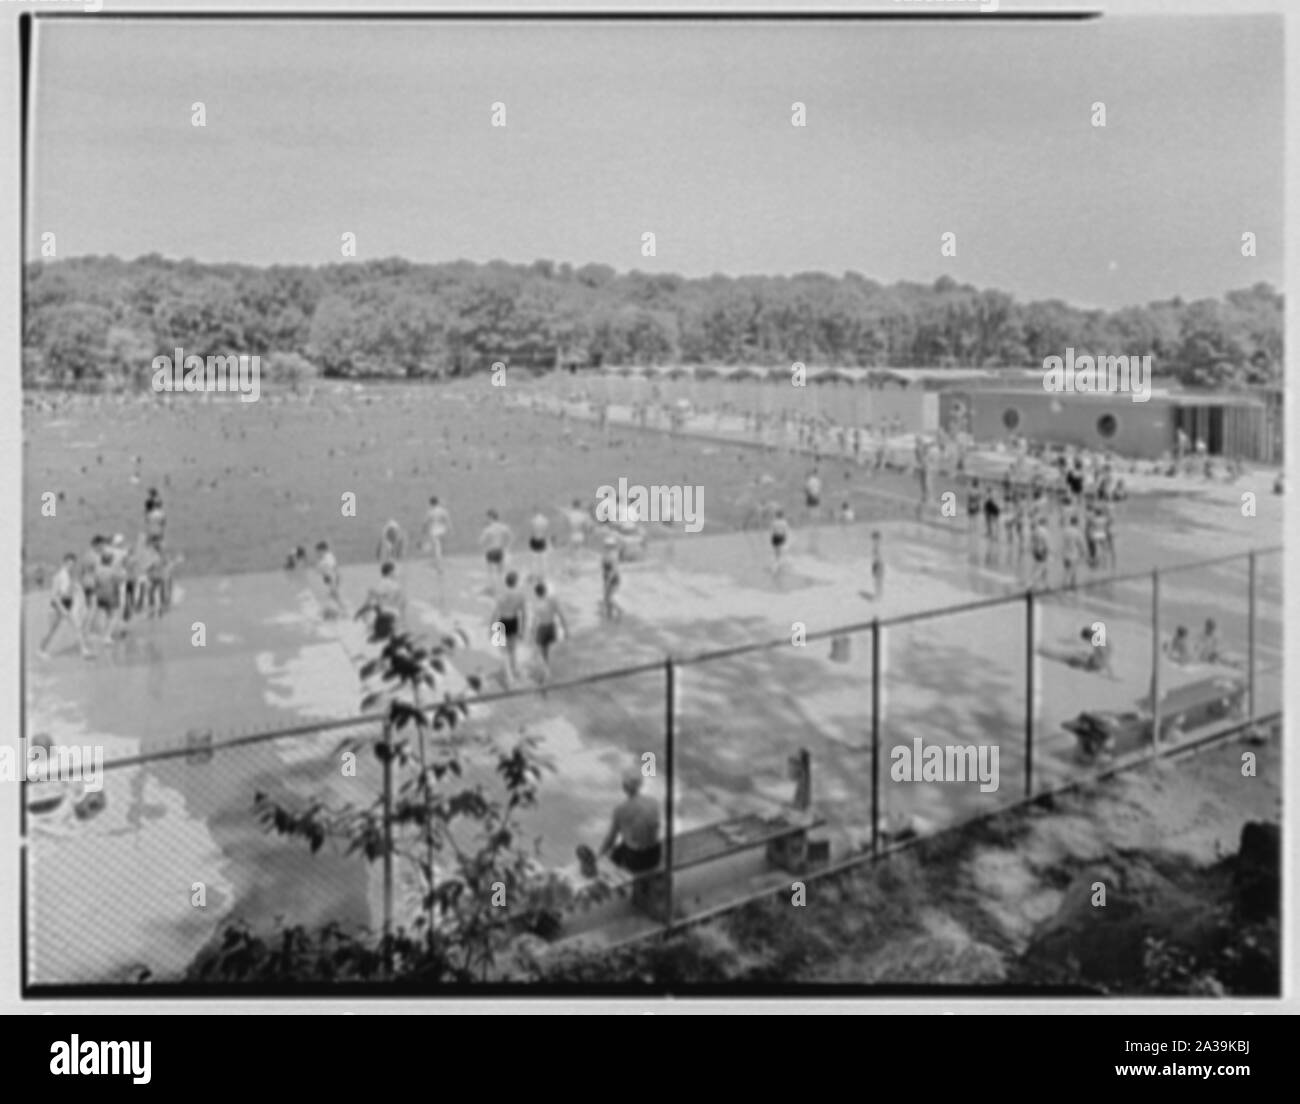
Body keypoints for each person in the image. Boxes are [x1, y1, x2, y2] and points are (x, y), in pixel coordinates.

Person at [598, 770, 662, 874]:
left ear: (624, 787)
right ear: (640, 784)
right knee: (624, 844)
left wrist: (599, 856)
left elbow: (610, 840)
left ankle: (609, 877)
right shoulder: (654, 802)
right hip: (655, 856)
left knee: (616, 853)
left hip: (636, 861)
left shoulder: (620, 809)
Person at [38, 553, 92, 659]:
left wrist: (78, 594)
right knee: (51, 630)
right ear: (63, 562)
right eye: (69, 564)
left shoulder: (69, 575)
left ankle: (84, 650)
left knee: (77, 627)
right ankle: (41, 650)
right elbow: (54, 595)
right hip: (57, 606)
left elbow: (72, 589)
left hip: (68, 604)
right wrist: (62, 609)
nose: (71, 566)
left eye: (73, 564)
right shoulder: (59, 576)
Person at [491, 571, 527, 685]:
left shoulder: (501, 595)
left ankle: (509, 677)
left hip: (502, 622)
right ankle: (515, 670)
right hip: (513, 622)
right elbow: (525, 614)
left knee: (504, 652)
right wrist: (523, 630)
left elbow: (495, 613)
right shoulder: (520, 596)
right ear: (516, 582)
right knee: (513, 649)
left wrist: (491, 629)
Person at [357, 561, 406, 640]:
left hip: (387, 610)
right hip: (389, 610)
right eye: (396, 570)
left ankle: (373, 625)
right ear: (391, 572)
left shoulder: (386, 582)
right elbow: (394, 600)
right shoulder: (388, 583)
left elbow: (376, 596)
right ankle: (384, 629)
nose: (398, 572)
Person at [531, 580, 569, 680]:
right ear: (545, 591)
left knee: (543, 652)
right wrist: (566, 629)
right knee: (552, 651)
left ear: (536, 593)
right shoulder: (552, 600)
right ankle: (551, 672)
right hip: (552, 626)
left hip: (542, 628)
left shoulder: (536, 603)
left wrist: (532, 632)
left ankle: (546, 671)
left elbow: (534, 620)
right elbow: (560, 614)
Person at [479, 509, 513, 586]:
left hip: (491, 551)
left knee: (490, 572)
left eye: (487, 518)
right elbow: (510, 536)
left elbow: (481, 541)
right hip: (499, 551)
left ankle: (491, 586)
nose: (486, 519)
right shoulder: (503, 527)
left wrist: (485, 547)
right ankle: (499, 587)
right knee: (500, 572)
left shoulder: (488, 529)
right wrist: (507, 547)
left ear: (491, 517)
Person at [315, 540, 345, 618]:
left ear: (322, 550)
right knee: (333, 599)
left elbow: (333, 570)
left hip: (332, 581)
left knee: (334, 599)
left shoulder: (328, 557)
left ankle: (344, 613)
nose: (317, 553)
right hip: (330, 582)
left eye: (318, 551)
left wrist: (334, 584)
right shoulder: (325, 558)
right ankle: (342, 613)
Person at [422, 496, 452, 571]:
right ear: (437, 502)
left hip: (434, 531)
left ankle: (439, 565)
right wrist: (450, 529)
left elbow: (425, 522)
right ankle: (441, 562)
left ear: (430, 503)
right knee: (442, 548)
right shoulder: (443, 510)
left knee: (437, 549)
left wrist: (423, 530)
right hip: (443, 530)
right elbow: (447, 520)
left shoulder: (430, 512)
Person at [1061, 516, 1086, 589]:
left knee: (1067, 569)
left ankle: (1072, 584)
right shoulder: (1077, 531)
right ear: (1076, 523)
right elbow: (1081, 543)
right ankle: (1067, 585)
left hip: (1065, 552)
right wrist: (1083, 552)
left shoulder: (1065, 530)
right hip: (1073, 553)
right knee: (1072, 570)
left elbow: (1062, 541)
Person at [527, 510, 551, 578]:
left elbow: (532, 531)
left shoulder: (533, 520)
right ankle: (544, 575)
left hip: (534, 540)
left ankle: (534, 574)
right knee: (543, 560)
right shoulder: (545, 520)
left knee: (534, 560)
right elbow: (546, 531)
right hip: (542, 540)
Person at [770, 508, 790, 576]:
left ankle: (776, 565)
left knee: (776, 553)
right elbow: (786, 532)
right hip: (781, 537)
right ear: (782, 515)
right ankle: (777, 566)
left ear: (776, 515)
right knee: (780, 553)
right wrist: (786, 540)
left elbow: (772, 531)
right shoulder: (784, 522)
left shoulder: (774, 522)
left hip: (775, 538)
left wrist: (772, 540)